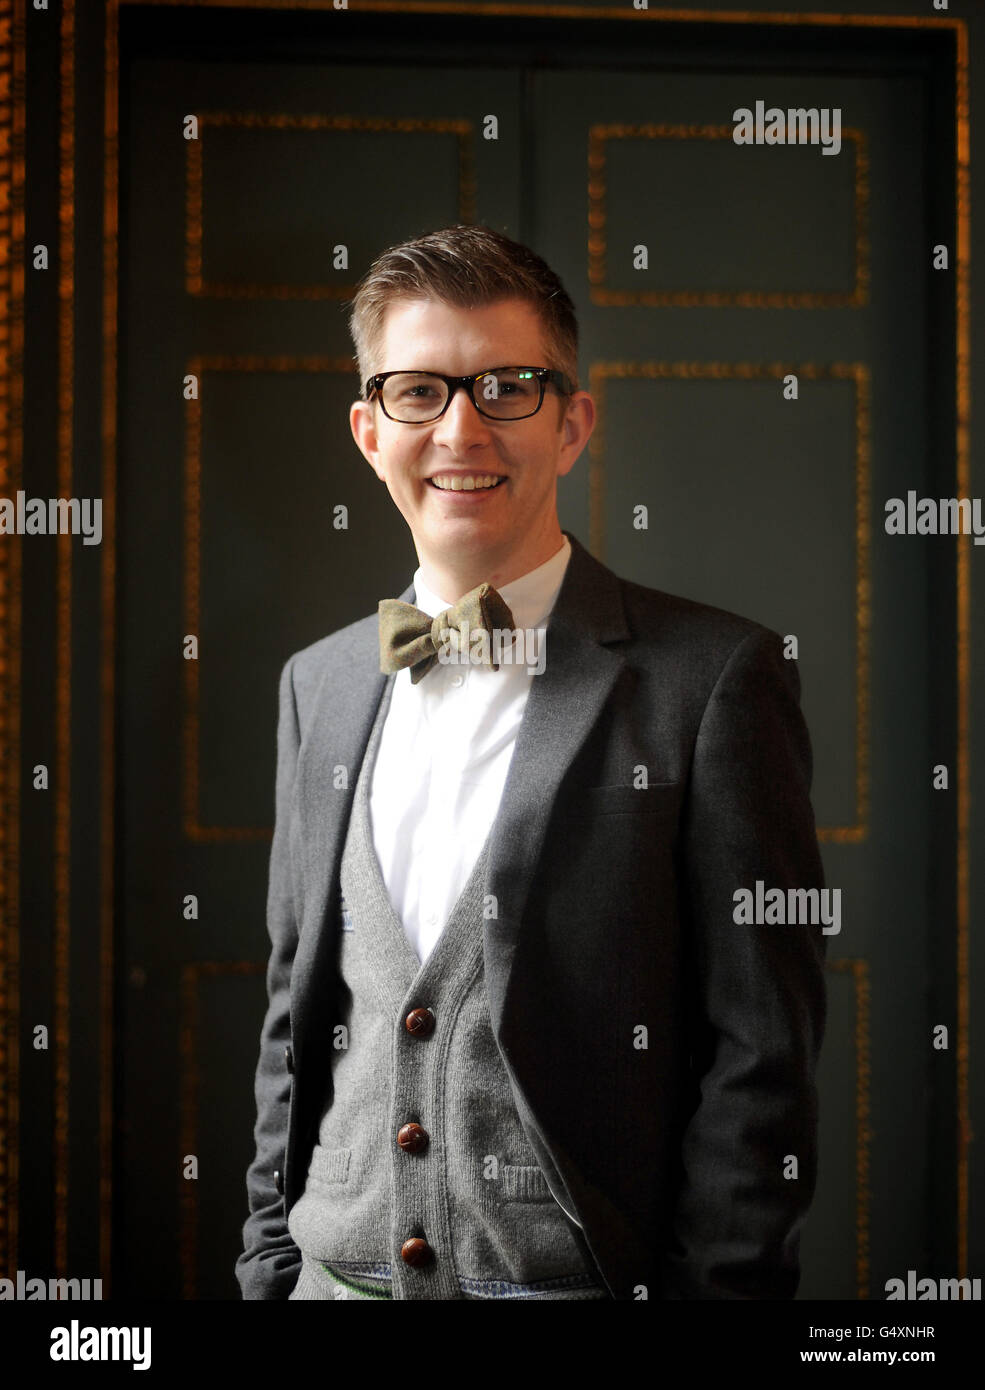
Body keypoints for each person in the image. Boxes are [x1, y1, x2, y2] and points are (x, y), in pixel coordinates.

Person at [235, 224, 827, 1302]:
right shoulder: (313, 686)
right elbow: (296, 1011)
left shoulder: (715, 678)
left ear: (572, 424)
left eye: (509, 386)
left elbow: (762, 1055)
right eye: (418, 391)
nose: (462, 427)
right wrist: (270, 1265)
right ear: (369, 431)